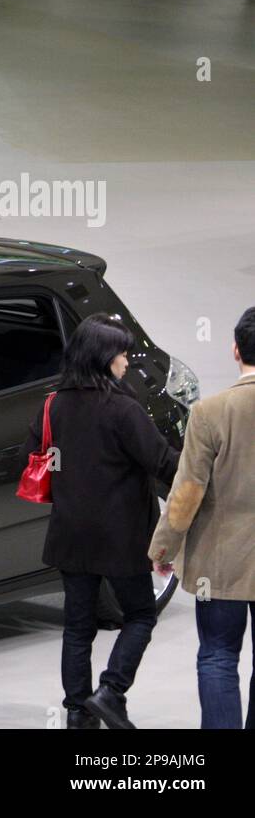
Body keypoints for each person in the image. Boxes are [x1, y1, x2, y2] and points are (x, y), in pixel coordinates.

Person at [23, 314, 180, 729]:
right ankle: (111, 691)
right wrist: (203, 469)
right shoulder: (123, 409)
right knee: (141, 615)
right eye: (122, 353)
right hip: (122, 535)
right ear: (104, 357)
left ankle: (78, 714)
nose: (127, 362)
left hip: (70, 533)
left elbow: (34, 453)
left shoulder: (53, 404)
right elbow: (163, 463)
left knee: (78, 626)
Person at [149, 307, 255, 729]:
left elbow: (187, 490)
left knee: (217, 656)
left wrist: (164, 547)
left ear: (235, 350)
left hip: (220, 563)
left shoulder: (210, 414)